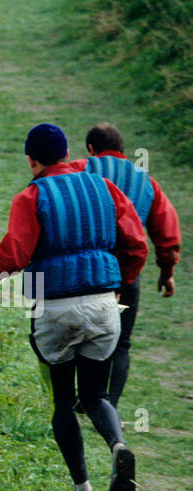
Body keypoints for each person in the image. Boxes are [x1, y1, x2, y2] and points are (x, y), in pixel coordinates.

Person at [0, 124, 148, 491]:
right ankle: (118, 445)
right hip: (103, 306)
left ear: (31, 161)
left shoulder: (30, 196)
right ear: (68, 154)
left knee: (64, 402)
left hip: (55, 310)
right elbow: (136, 245)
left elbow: (13, 258)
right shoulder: (107, 188)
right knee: (97, 395)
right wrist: (120, 283)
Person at [67, 122, 182, 406]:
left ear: (91, 149)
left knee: (79, 335)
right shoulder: (146, 182)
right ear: (123, 150)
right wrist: (167, 273)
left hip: (84, 267)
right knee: (120, 343)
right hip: (126, 270)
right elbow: (167, 236)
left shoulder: (80, 168)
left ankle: (80, 395)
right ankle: (108, 404)